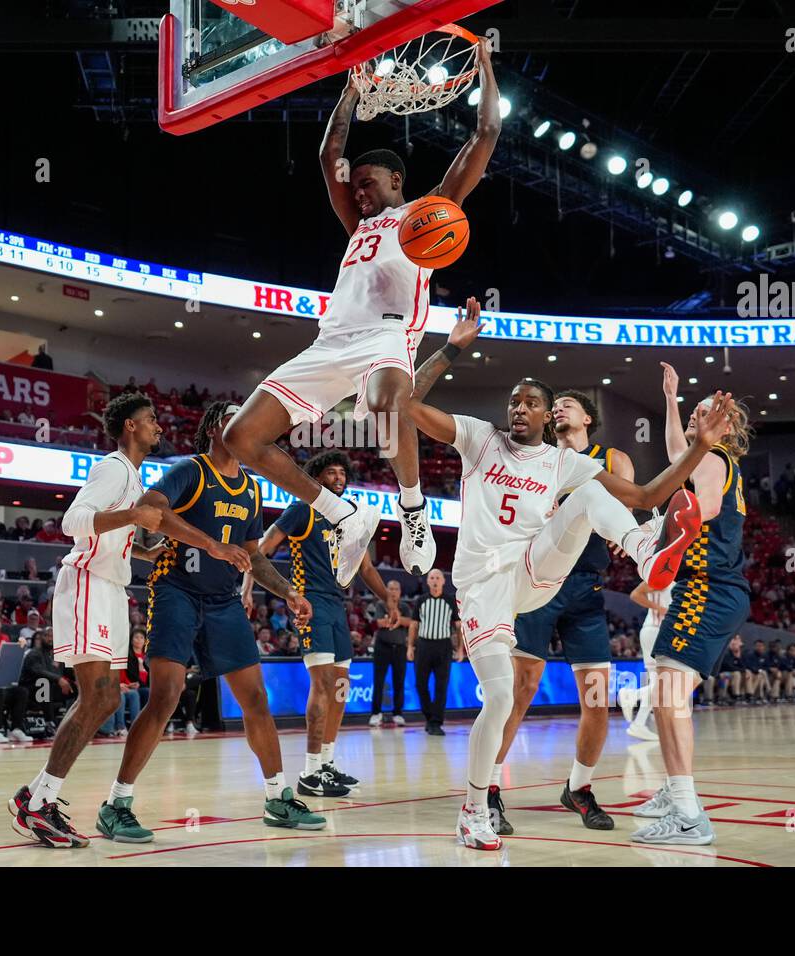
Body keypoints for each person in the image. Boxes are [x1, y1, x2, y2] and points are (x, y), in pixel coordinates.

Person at [401, 309, 732, 850]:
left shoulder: (561, 461)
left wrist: (700, 448)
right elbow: (407, 406)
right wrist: (453, 347)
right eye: (516, 401)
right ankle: (474, 808)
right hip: (484, 587)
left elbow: (647, 497)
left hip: (538, 572)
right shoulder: (479, 438)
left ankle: (647, 551)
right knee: (502, 697)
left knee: (590, 495)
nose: (522, 408)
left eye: (533, 401)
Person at [222, 40, 501, 580]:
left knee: (384, 405)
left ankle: (414, 508)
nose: (360, 193)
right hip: (329, 341)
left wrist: (486, 67)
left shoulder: (430, 212)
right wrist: (350, 92)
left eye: (368, 184)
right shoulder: (358, 223)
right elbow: (330, 158)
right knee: (240, 437)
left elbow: (485, 134)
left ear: (397, 181)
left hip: (387, 336)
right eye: (357, 189)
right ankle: (341, 514)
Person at [9, 393, 235, 850]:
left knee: (108, 699)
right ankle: (38, 800)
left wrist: (144, 548)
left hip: (111, 586)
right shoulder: (114, 467)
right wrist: (133, 516)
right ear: (129, 426)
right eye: (150, 420)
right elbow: (74, 521)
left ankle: (37, 794)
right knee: (99, 695)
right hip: (88, 582)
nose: (158, 426)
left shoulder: (134, 476)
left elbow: (116, 538)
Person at [98, 401, 326, 845]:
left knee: (256, 699)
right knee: (165, 695)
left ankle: (278, 797)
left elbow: (254, 555)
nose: (241, 424)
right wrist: (211, 546)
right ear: (213, 428)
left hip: (223, 601)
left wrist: (288, 591)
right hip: (176, 590)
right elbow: (152, 510)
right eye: (230, 418)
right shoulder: (192, 470)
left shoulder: (252, 489)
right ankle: (116, 803)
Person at [491, 389, 637, 835]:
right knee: (520, 689)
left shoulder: (610, 458)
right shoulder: (536, 457)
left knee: (597, 701)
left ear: (589, 418)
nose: (558, 410)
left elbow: (629, 496)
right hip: (538, 584)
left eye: (569, 404)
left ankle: (580, 787)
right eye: (555, 406)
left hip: (586, 588)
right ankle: (490, 790)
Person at [629, 363, 753, 847]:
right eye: (694, 413)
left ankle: (687, 812)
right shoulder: (707, 456)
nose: (696, 420)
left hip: (709, 586)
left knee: (667, 691)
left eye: (707, 413)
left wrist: (654, 537)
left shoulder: (715, 460)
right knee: (668, 690)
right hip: (713, 589)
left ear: (727, 426)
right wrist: (670, 399)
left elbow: (706, 507)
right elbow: (678, 452)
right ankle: (675, 789)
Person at [252, 449, 391, 796]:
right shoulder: (302, 509)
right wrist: (250, 588)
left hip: (338, 605)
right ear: (316, 478)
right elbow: (263, 548)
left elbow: (367, 568)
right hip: (310, 604)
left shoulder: (352, 518)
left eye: (342, 473)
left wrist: (387, 599)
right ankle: (310, 771)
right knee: (324, 684)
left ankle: (327, 763)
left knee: (341, 688)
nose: (338, 478)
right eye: (330, 473)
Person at [409, 569, 460, 737]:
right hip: (423, 646)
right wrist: (410, 646)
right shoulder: (421, 600)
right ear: (427, 581)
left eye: (438, 577)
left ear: (444, 581)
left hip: (443, 646)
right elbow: (414, 625)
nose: (435, 580)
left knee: (441, 686)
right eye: (432, 577)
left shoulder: (450, 601)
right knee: (420, 684)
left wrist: (460, 649)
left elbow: (458, 627)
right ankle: (430, 717)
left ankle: (436, 723)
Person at [624, 582, 670, 737]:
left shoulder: (681, 577)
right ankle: (633, 695)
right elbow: (635, 594)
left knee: (658, 683)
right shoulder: (664, 573)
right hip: (656, 630)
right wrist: (660, 609)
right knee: (668, 681)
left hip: (658, 631)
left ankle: (638, 724)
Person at [368, 579, 413, 727]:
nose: (393, 592)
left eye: (396, 589)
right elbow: (379, 622)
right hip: (382, 647)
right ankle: (376, 713)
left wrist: (396, 619)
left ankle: (398, 713)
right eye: (391, 589)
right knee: (379, 681)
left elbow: (410, 622)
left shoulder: (405, 606)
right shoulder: (381, 604)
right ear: (386, 591)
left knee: (399, 682)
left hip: (400, 648)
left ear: (400, 592)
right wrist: (395, 620)